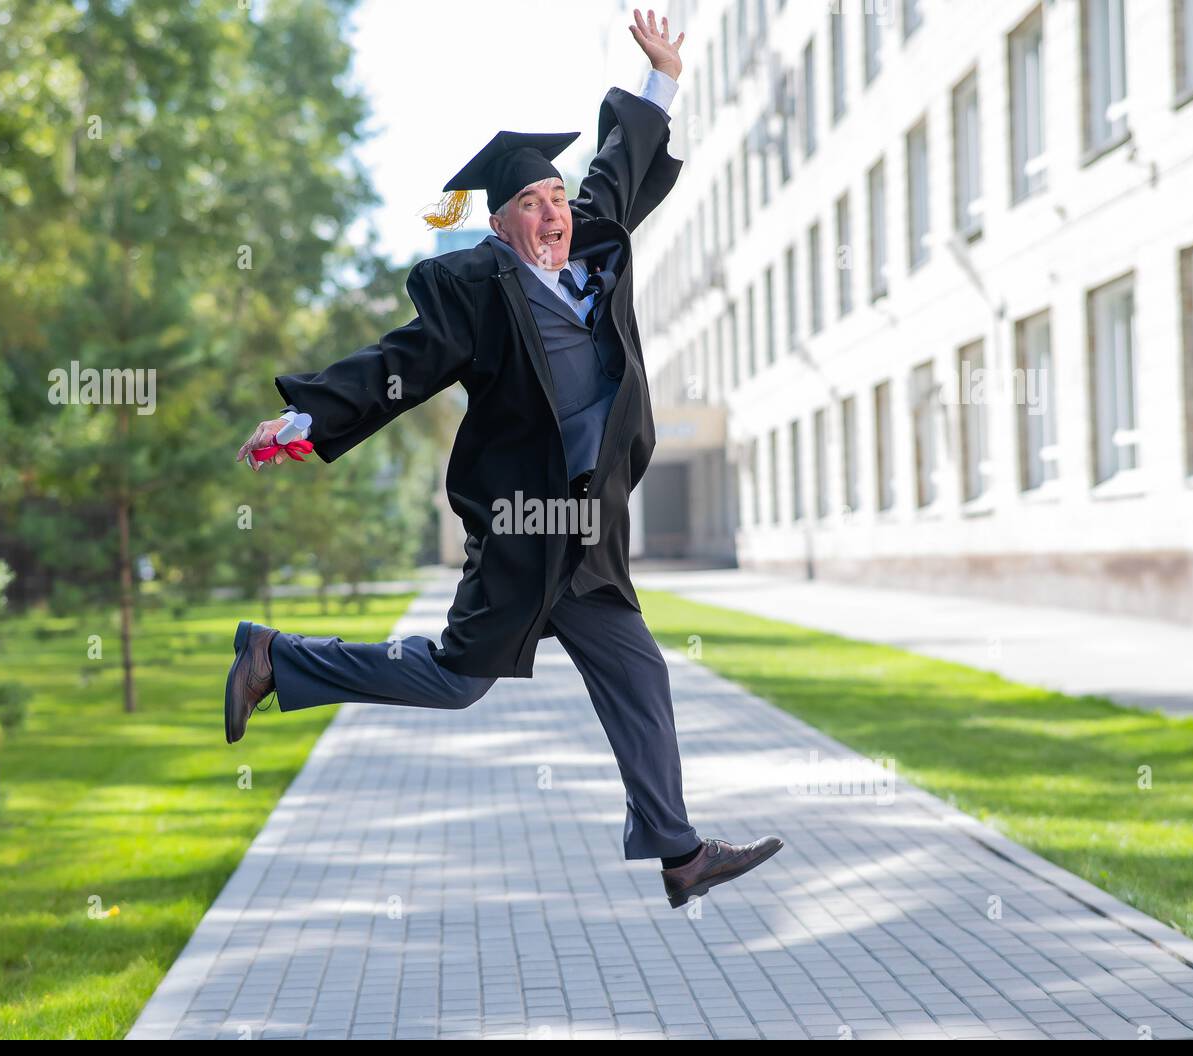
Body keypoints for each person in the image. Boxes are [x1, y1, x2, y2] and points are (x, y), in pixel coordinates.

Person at [228, 9, 783, 909]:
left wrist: (664, 79)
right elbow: (400, 364)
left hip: (587, 529)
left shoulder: (593, 236)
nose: (553, 211)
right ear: (499, 221)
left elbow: (619, 164)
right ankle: (275, 657)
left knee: (639, 668)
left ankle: (680, 854)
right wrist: (304, 419)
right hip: (526, 525)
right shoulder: (473, 288)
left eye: (556, 198)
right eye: (531, 203)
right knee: (454, 683)